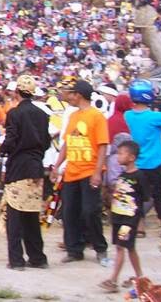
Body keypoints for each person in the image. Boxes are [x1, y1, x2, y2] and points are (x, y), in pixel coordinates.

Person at [50, 77, 110, 265]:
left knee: (90, 211)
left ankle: (100, 248)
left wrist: (97, 172)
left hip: (89, 171)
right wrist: (57, 166)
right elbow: (67, 143)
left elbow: (102, 145)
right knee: (69, 212)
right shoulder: (73, 116)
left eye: (72, 93)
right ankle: (74, 249)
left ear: (79, 95)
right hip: (71, 171)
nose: (69, 97)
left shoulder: (97, 116)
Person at [0, 75, 52, 271]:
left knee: (14, 216)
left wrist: (2, 150)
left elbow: (11, 138)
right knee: (31, 214)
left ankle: (16, 260)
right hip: (36, 167)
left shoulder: (15, 113)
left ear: (16, 92)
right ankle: (38, 258)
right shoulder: (42, 114)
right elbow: (46, 142)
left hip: (18, 167)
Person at [124, 79, 161, 227]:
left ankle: (139, 227)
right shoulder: (155, 116)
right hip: (153, 164)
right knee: (158, 196)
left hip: (135, 164)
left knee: (136, 197)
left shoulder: (127, 115)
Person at [99, 141, 148, 293]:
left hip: (129, 219)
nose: (118, 157)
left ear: (132, 157)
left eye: (121, 154)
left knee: (121, 247)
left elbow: (145, 197)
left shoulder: (139, 176)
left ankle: (113, 280)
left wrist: (137, 216)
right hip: (118, 217)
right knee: (129, 248)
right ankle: (140, 277)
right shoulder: (122, 175)